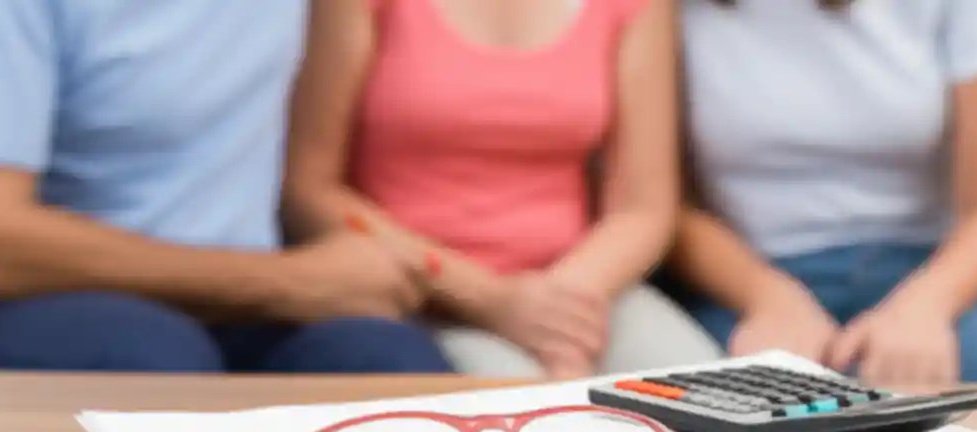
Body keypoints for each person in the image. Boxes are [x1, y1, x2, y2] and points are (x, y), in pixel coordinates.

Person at [0, 0, 452, 374]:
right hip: (39, 299)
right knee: (147, 363)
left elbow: (311, 181)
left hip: (248, 301)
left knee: (394, 372)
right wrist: (290, 281)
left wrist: (497, 301)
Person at [285, 0, 722, 380]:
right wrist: (489, 299)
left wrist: (560, 308)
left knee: (707, 396)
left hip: (583, 285)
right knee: (532, 420)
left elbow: (641, 206)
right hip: (424, 293)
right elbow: (310, 192)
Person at [669, 0, 977, 384]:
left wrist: (922, 308)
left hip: (934, 272)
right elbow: (663, 204)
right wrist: (768, 299)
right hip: (739, 278)